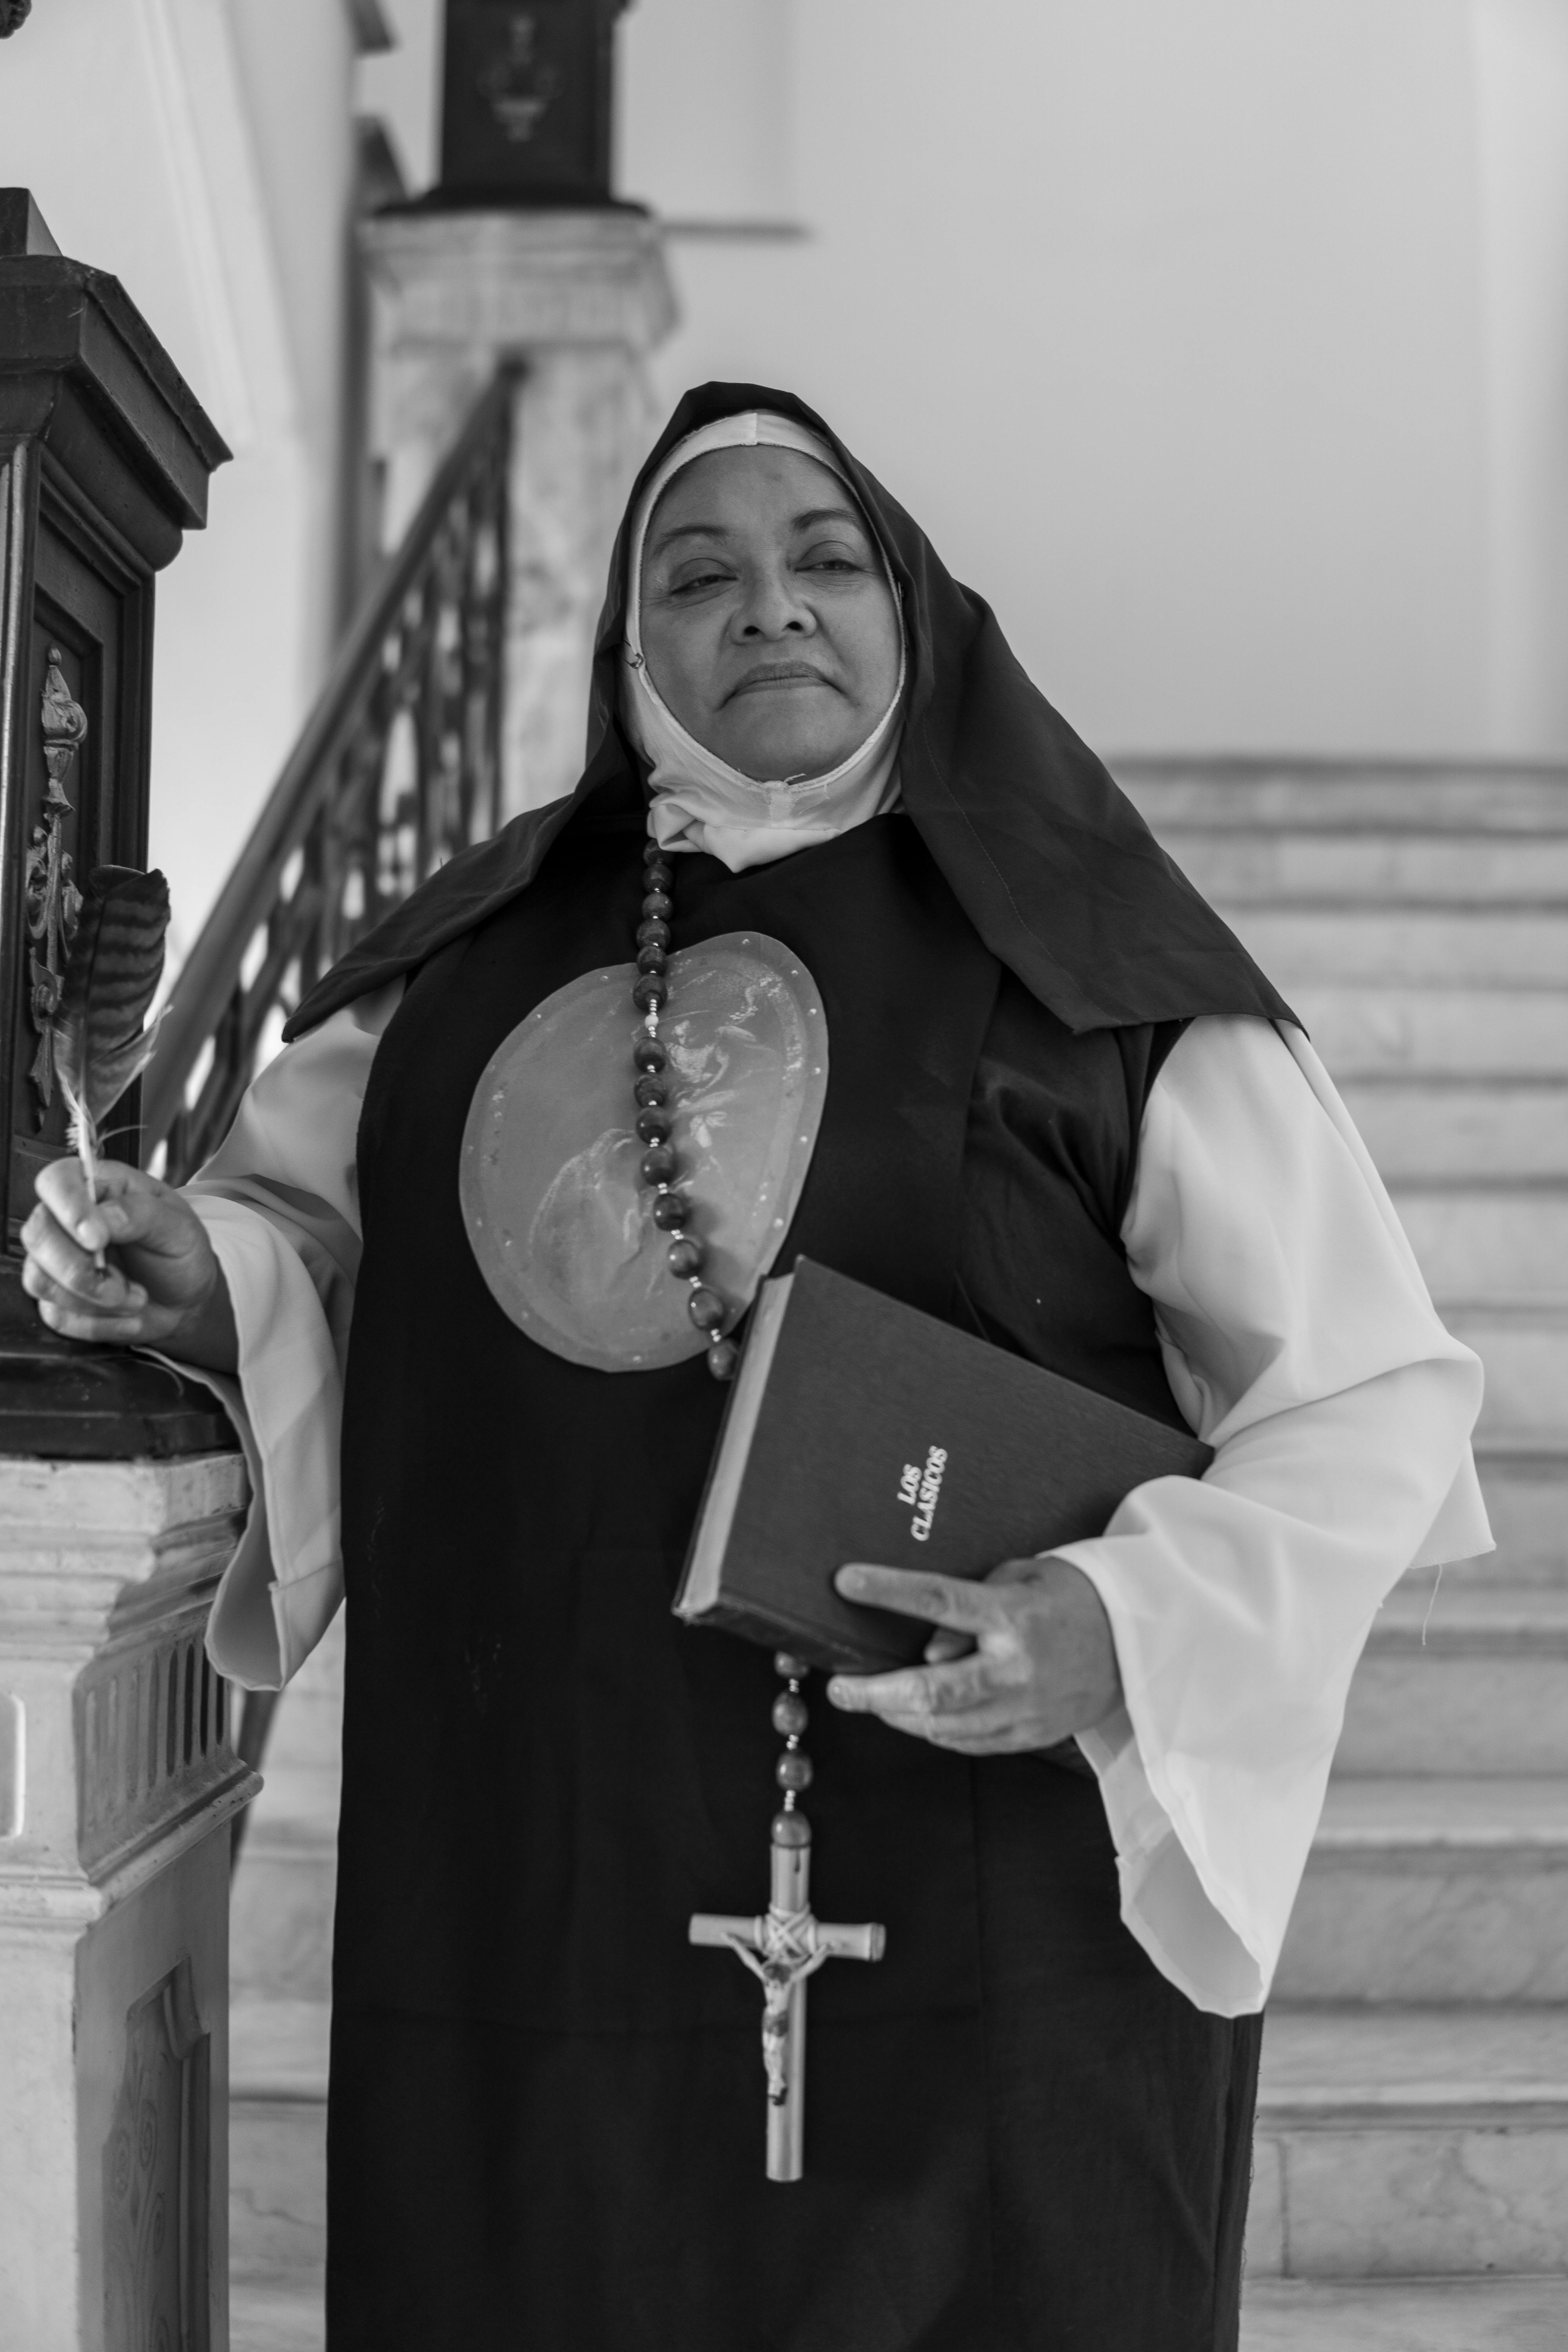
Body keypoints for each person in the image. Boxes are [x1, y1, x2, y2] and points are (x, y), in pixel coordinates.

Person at [22, 386, 1489, 2351]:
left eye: (824, 560)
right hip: (544, 1858)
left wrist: (1120, 1623)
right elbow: (303, 1242)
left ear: (915, 615)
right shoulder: (460, 971)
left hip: (999, 1892)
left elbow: (1367, 1402)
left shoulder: (1096, 972)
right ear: (634, 659)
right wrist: (189, 1277)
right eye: (697, 575)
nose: (769, 609)